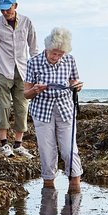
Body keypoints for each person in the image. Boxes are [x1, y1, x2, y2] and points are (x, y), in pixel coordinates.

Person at [24, 27, 83, 192]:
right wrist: (35, 90)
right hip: (42, 110)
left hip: (65, 108)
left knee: (69, 149)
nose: (56, 57)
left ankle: (75, 184)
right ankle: (48, 186)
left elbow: (74, 82)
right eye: (53, 53)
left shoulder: (70, 60)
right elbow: (25, 94)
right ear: (47, 48)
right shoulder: (33, 62)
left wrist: (77, 86)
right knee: (46, 150)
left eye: (60, 54)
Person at [0, 0, 38, 158]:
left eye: (8, 9)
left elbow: (34, 50)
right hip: (2, 72)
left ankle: (18, 144)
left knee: (22, 108)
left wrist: (37, 74)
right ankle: (4, 144)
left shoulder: (27, 22)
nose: (5, 12)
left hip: (23, 72)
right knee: (3, 107)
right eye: (2, 10)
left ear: (15, 6)